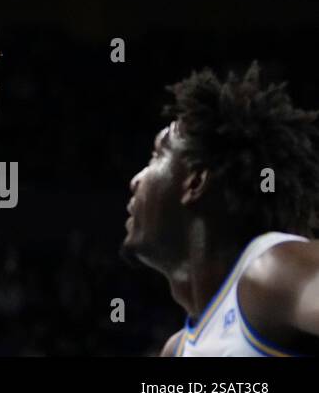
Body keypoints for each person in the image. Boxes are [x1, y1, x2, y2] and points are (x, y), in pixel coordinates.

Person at [122, 63, 319, 356]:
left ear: (195, 182)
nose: (135, 180)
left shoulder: (271, 270)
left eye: (156, 155)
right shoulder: (175, 350)